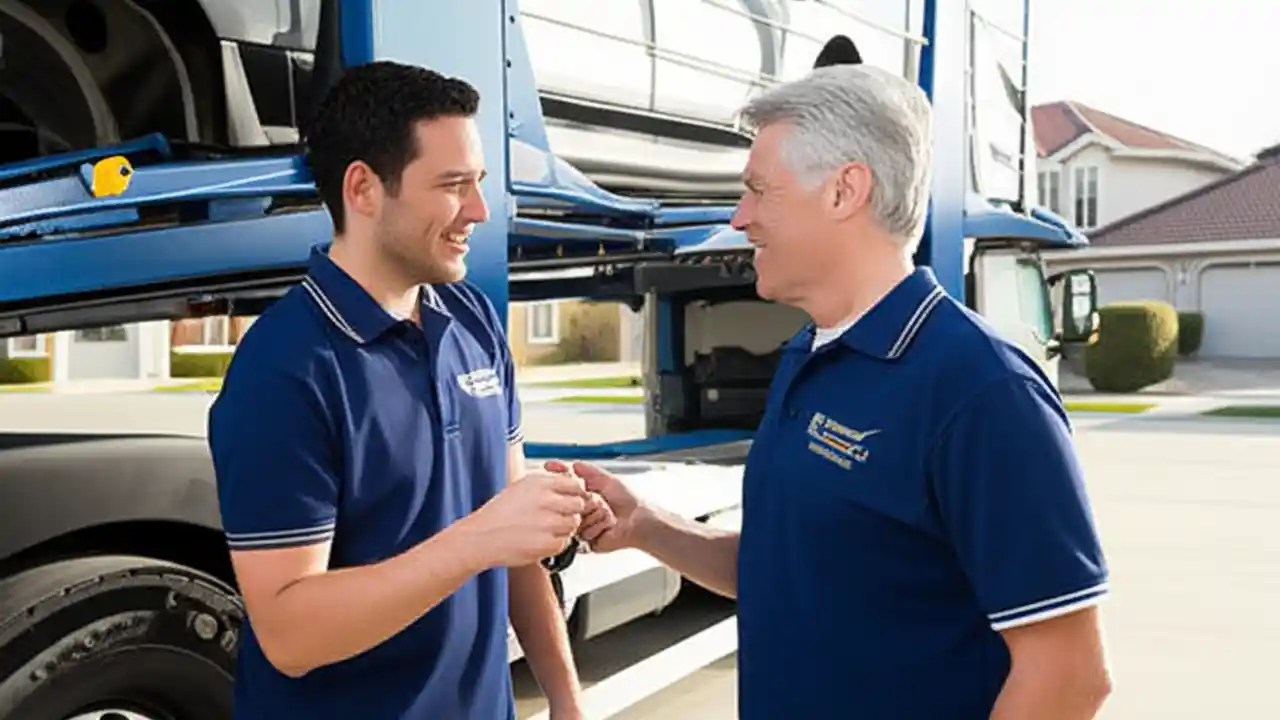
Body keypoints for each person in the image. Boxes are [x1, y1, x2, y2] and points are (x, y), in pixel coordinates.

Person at [568, 63, 1113, 719]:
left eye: (759, 191)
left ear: (843, 190)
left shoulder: (982, 391)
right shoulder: (809, 354)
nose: (740, 218)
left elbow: (1070, 676)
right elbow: (790, 572)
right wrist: (646, 527)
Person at [207, 61, 610, 720]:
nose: (479, 210)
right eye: (453, 185)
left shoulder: (471, 317)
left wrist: (566, 702)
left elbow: (517, 544)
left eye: (478, 182)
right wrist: (477, 539)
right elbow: (289, 635)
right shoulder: (283, 370)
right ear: (363, 188)